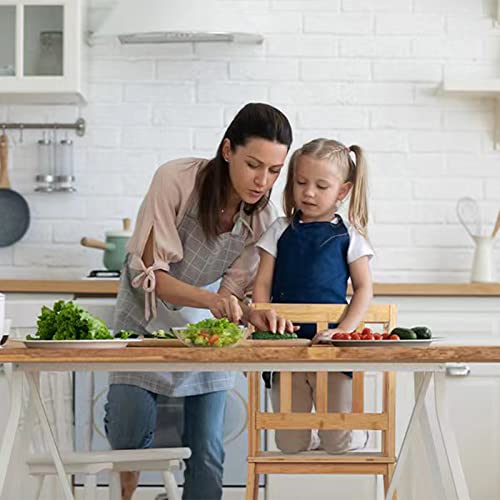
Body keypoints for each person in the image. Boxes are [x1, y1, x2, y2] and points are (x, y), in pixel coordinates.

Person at [104, 103, 293, 500]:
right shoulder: (175, 179)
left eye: (274, 171)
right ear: (228, 150)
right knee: (128, 433)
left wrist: (250, 310)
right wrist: (214, 300)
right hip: (144, 319)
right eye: (253, 165)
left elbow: (235, 291)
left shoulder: (261, 218)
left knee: (208, 450)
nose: (262, 181)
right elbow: (152, 277)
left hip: (207, 333)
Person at [252, 138, 374, 454]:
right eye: (301, 182)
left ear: (342, 191)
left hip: (331, 350)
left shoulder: (349, 235)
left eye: (321, 186)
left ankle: (355, 434)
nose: (308, 192)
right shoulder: (278, 229)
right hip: (285, 348)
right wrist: (263, 325)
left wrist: (344, 331)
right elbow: (262, 283)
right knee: (290, 443)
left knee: (339, 443)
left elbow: (364, 289)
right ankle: (310, 434)